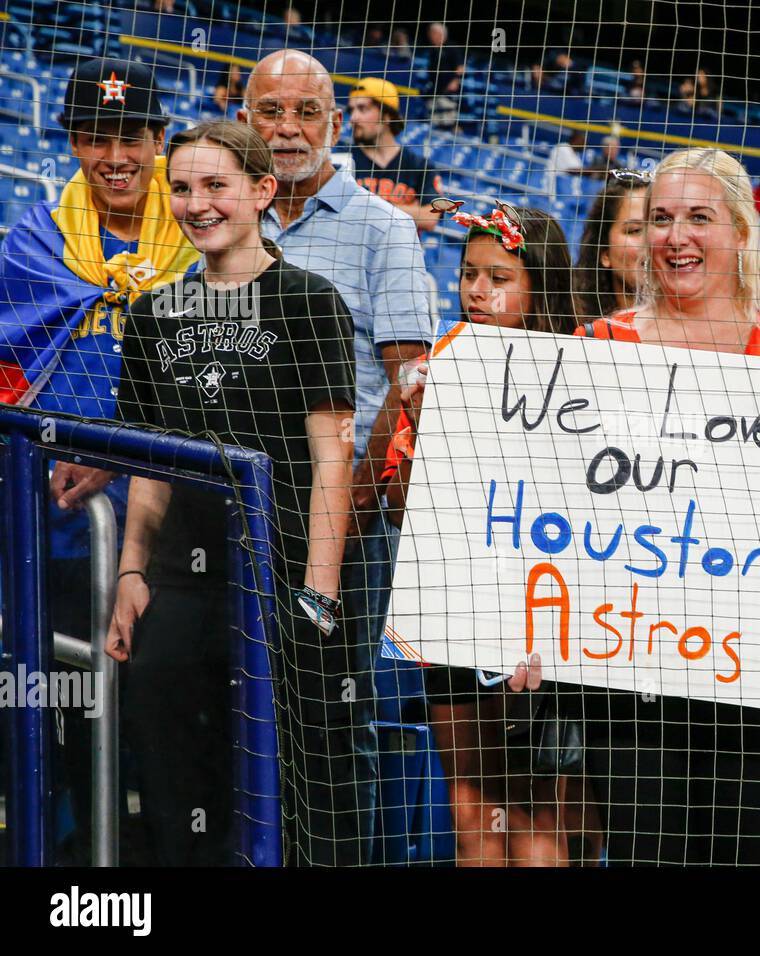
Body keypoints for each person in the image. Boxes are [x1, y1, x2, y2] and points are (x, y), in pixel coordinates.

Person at [572, 147, 760, 866]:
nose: (675, 236)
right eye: (659, 219)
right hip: (630, 664)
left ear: (742, 232)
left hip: (758, 665)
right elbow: (554, 513)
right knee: (646, 852)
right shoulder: (597, 345)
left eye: (698, 218)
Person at [107, 119, 357, 866]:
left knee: (285, 792)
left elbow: (333, 460)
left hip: (277, 582)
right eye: (181, 187)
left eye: (216, 185)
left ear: (262, 191)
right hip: (180, 588)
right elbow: (148, 463)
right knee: (178, 781)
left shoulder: (310, 302)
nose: (197, 203)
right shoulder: (153, 314)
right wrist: (129, 571)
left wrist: (317, 592)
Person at [239, 49, 434, 862]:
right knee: (242, 711)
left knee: (330, 720)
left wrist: (353, 495)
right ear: (244, 118)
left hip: (342, 517)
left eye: (306, 112)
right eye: (270, 112)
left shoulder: (383, 226)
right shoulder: (223, 214)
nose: (288, 129)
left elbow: (411, 379)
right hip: (236, 511)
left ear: (332, 120)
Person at [0, 58, 197, 862]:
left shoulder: (200, 241)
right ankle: (66, 860)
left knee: (155, 711)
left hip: (166, 527)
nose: (114, 155)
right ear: (74, 142)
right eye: (94, 136)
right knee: (50, 702)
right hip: (47, 526)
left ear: (158, 140)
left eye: (131, 136)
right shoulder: (32, 244)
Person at [386, 204, 588, 865]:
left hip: (556, 619)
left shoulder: (593, 363)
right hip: (456, 608)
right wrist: (420, 434)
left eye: (499, 276)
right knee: (470, 799)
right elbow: (394, 505)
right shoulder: (440, 360)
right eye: (470, 274)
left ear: (542, 283)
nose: (477, 290)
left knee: (539, 808)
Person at [347, 77, 446, 232]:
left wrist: (367, 207)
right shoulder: (343, 162)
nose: (353, 118)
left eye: (362, 109)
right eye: (351, 110)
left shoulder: (419, 166)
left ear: (387, 116)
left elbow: (429, 217)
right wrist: (408, 210)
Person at [573, 169, 649, 319]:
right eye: (635, 230)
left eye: (659, 224)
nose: (652, 241)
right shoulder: (572, 327)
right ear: (605, 253)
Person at [543, 129, 586, 194]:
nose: (584, 144)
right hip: (555, 184)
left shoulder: (577, 156)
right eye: (583, 141)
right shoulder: (562, 147)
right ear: (577, 139)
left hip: (567, 186)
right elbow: (573, 170)